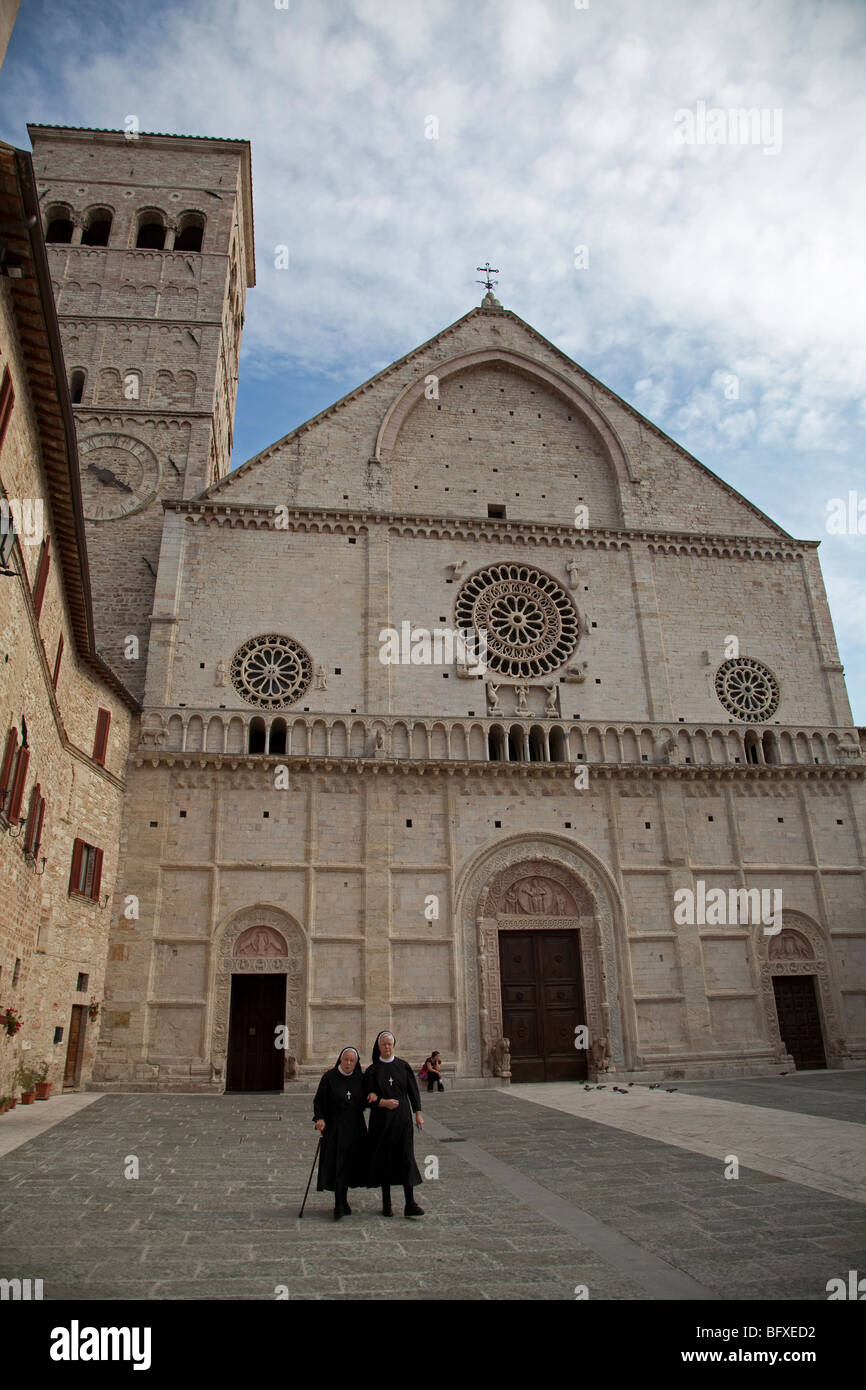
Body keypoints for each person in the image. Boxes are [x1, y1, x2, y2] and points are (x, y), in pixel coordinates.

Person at [364, 1030, 425, 1218]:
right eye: (384, 1044)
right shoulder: (372, 1070)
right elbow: (366, 1097)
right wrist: (381, 1101)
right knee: (384, 1159)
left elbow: (413, 1091)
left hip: (402, 1119)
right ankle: (387, 1204)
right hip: (381, 1120)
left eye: (389, 1044)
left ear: (394, 1045)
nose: (387, 1047)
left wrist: (418, 1114)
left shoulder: (403, 1066)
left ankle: (410, 1203)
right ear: (378, 1047)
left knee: (406, 1157)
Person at [313, 1046, 370, 1220]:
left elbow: (367, 1098)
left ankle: (344, 1200)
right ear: (340, 1060)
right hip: (335, 1127)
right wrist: (320, 1119)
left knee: (349, 1165)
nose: (348, 1063)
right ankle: (338, 1204)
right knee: (337, 1164)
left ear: (356, 1063)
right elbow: (319, 1101)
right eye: (346, 1060)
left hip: (355, 1127)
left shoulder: (360, 1078)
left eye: (352, 1061)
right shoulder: (329, 1077)